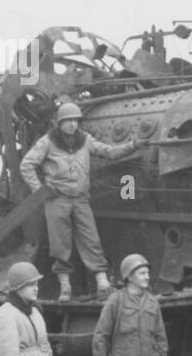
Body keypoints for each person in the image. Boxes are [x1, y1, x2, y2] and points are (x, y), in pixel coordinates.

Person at [19, 102, 140, 301]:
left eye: (75, 120)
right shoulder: (47, 141)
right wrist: (40, 191)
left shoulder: (84, 140)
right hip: (57, 200)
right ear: (59, 123)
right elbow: (26, 165)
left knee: (91, 240)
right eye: (68, 121)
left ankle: (103, 284)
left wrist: (133, 145)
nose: (73, 124)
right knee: (60, 245)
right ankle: (65, 288)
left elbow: (109, 152)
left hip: (81, 199)